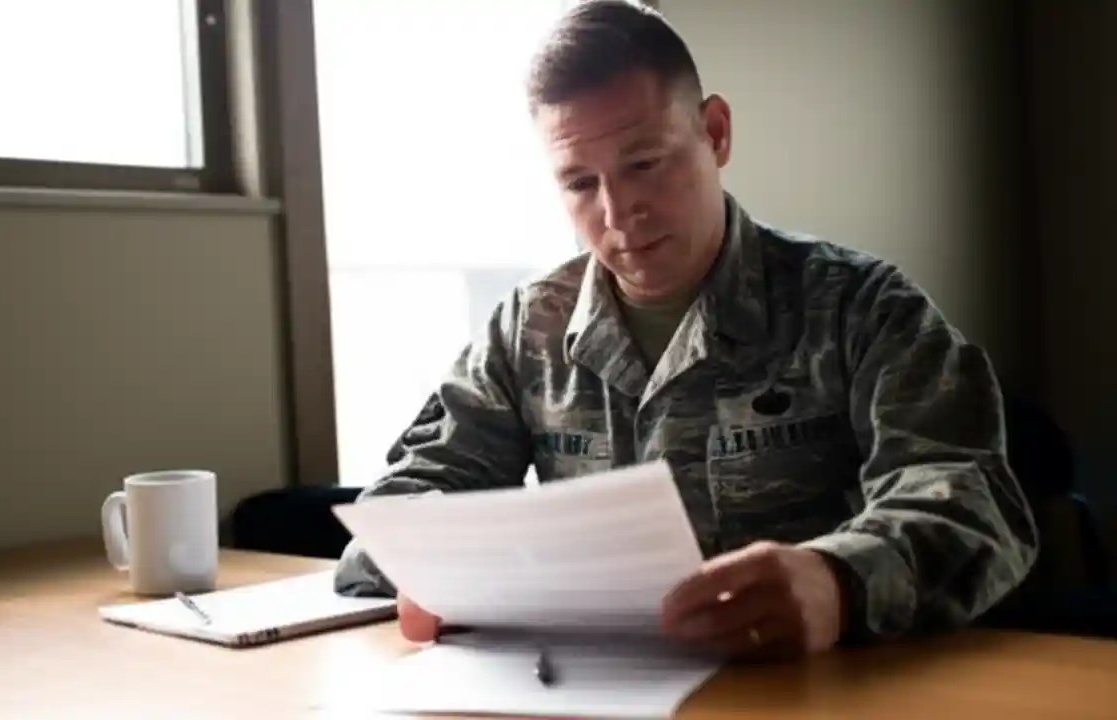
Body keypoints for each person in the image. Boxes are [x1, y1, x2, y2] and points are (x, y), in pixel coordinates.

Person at [333, 0, 1037, 659]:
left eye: (644, 163)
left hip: (813, 690)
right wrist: (434, 569)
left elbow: (972, 501)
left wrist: (840, 581)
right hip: (589, 692)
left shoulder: (860, 306)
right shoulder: (529, 330)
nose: (618, 211)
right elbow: (399, 508)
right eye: (580, 182)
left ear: (716, 132)